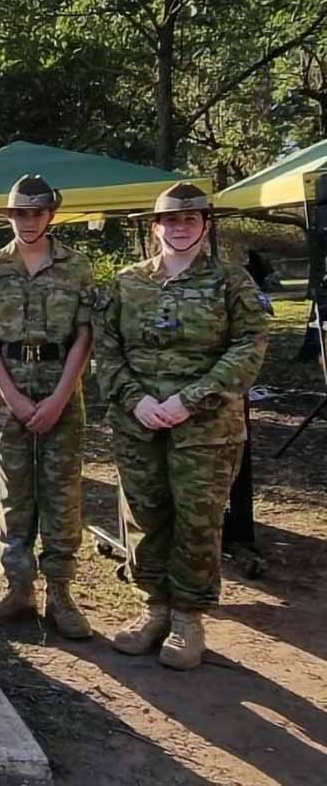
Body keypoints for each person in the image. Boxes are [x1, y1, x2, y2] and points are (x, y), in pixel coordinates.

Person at [97, 183, 268, 670]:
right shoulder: (127, 282)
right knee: (145, 516)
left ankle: (189, 617)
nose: (179, 228)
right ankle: (153, 608)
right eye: (170, 221)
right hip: (140, 423)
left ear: (205, 227)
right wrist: (138, 400)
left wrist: (188, 400)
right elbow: (106, 349)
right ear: (155, 227)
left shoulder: (230, 281)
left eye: (189, 220)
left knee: (198, 519)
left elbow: (249, 348)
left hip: (206, 426)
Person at [0, 175, 95, 639]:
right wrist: (15, 397)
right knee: (14, 493)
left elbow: (85, 334)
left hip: (62, 386)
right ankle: (18, 589)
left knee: (62, 495)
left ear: (51, 216)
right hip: (10, 389)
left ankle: (61, 594)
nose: (28, 221)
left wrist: (60, 396)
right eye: (20, 213)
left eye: (36, 213)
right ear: (10, 216)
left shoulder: (76, 266)